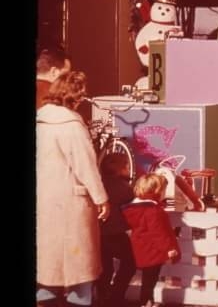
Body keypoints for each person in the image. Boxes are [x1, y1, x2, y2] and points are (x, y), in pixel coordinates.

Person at [36, 71, 110, 307]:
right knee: (80, 271)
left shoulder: (40, 122)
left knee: (48, 269)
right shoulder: (72, 126)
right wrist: (101, 199)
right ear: (74, 97)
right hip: (72, 204)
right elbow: (86, 167)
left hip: (45, 203)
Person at [122, 173, 181, 307]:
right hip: (153, 250)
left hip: (139, 247)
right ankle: (147, 302)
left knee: (141, 278)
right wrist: (169, 248)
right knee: (150, 279)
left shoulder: (130, 208)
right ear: (156, 191)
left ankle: (142, 300)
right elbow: (158, 233)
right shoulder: (153, 210)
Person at [96, 153, 137, 307]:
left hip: (99, 233)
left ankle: (103, 297)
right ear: (120, 169)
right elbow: (132, 209)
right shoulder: (124, 188)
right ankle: (116, 294)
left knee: (104, 269)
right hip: (116, 233)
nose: (128, 169)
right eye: (126, 166)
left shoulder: (99, 184)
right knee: (130, 261)